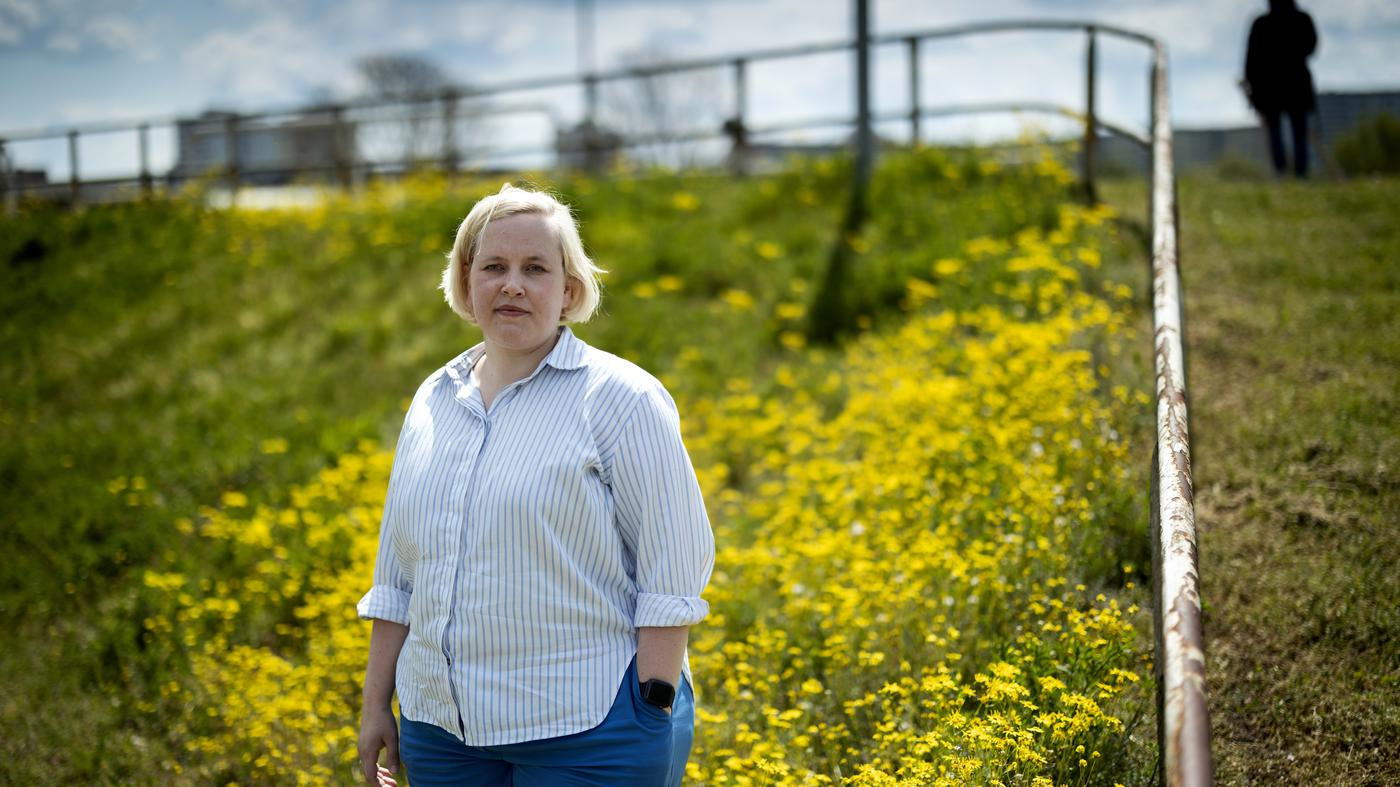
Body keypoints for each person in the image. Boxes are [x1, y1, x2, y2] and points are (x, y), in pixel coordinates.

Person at [355, 183, 716, 786]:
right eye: (493, 266)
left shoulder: (621, 399)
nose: (512, 284)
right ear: (467, 283)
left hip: (590, 732)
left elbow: (673, 570)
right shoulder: (432, 399)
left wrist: (650, 706)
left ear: (569, 290)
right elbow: (397, 576)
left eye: (535, 268)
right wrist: (375, 707)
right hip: (441, 735)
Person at [1243, 0, 1320, 177]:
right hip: (1290, 85)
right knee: (1291, 131)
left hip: (1273, 87)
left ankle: (1285, 172)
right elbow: (1312, 46)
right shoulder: (1300, 19)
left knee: (1282, 131)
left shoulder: (1263, 23)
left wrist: (1251, 84)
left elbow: (1251, 58)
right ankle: (1296, 173)